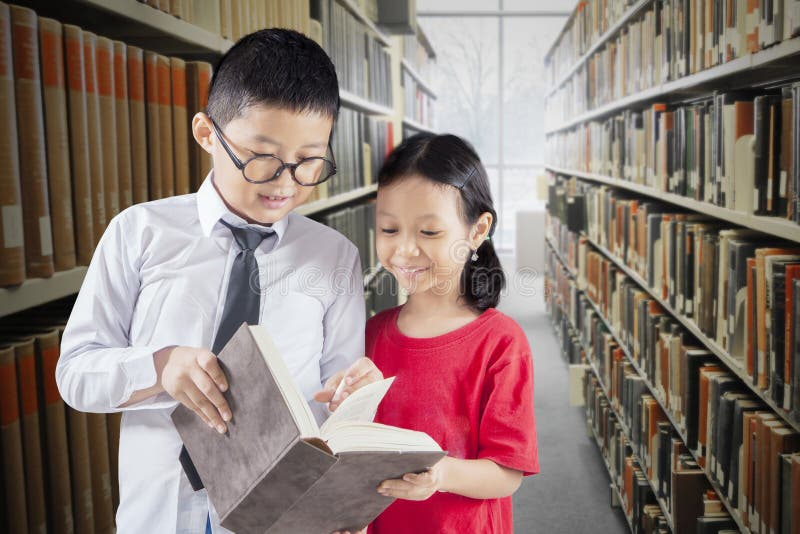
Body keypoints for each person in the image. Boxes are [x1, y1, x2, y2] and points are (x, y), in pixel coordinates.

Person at [56, 28, 381, 534]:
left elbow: (336, 397)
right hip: (162, 514)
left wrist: (347, 396)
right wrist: (159, 367)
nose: (285, 182)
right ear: (208, 133)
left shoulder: (335, 257)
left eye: (309, 161)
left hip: (281, 516)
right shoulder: (139, 233)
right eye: (262, 157)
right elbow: (75, 374)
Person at [365, 133, 539, 533]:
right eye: (389, 230)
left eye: (429, 233)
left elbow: (507, 473)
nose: (405, 250)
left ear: (477, 231)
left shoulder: (501, 343)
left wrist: (440, 475)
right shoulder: (371, 333)